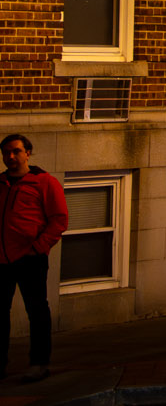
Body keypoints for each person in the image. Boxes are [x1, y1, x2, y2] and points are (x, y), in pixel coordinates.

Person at [1, 133, 67, 384]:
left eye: (16, 151)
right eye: (6, 152)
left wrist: (37, 248)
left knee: (37, 311)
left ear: (28, 153)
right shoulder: (0, 183)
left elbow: (59, 220)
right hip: (1, 259)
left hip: (30, 259)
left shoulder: (44, 182)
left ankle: (39, 364)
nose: (11, 157)